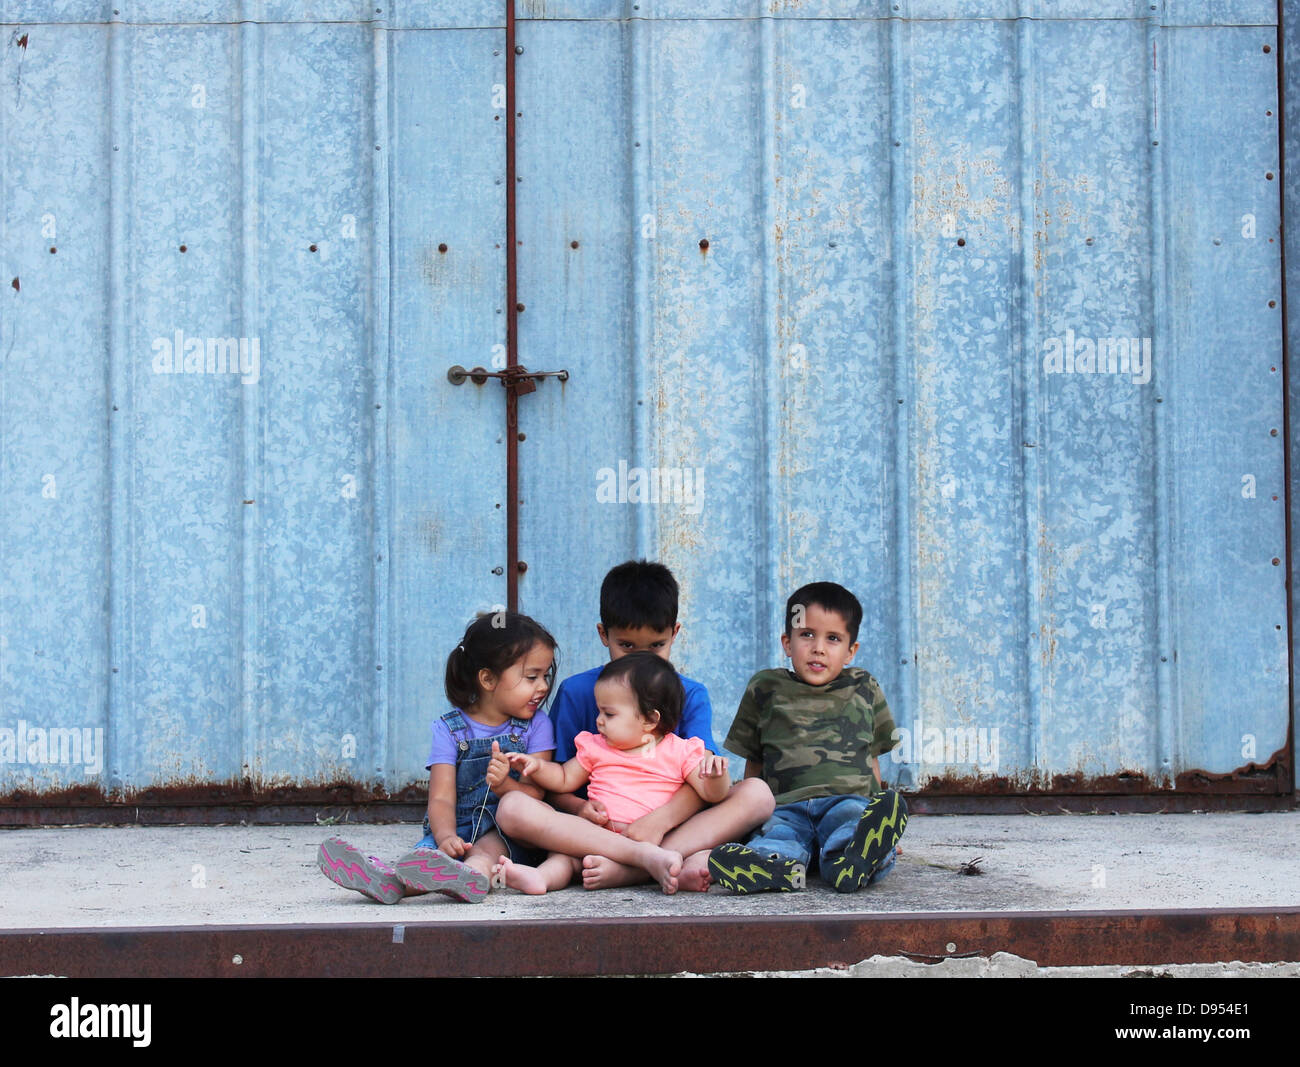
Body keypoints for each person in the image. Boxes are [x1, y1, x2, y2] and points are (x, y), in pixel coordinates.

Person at [544, 560, 774, 890]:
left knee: (758, 794)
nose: (643, 659)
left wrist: (659, 821)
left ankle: (636, 868)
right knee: (514, 808)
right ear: (603, 634)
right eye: (626, 646)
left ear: (675, 634)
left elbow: (704, 782)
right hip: (596, 833)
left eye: (656, 645)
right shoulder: (577, 692)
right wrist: (580, 808)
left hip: (667, 829)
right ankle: (650, 862)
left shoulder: (690, 694)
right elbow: (555, 783)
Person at [317, 611, 559, 904]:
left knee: (484, 854)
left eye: (545, 675)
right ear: (487, 679)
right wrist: (445, 838)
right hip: (455, 826)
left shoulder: (537, 726)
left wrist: (506, 785)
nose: (544, 686)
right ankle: (388, 882)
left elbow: (537, 793)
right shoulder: (449, 729)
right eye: (532, 677)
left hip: (507, 831)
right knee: (426, 857)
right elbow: (442, 798)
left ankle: (472, 879)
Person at [707, 581, 907, 893]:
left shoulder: (863, 687)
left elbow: (871, 757)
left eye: (833, 638)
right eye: (807, 635)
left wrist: (874, 817)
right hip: (785, 806)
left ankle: (861, 853)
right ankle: (775, 868)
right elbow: (754, 763)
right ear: (787, 643)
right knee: (777, 836)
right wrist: (747, 823)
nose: (818, 647)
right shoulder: (766, 687)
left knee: (850, 824)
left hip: (845, 799)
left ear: (851, 651)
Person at [492, 652, 730, 894]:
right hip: (595, 837)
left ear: (650, 720)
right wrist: (537, 767)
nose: (599, 721)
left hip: (656, 836)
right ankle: (541, 878)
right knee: (557, 852)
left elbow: (710, 794)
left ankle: (669, 868)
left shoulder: (679, 750)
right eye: (599, 712)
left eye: (609, 714)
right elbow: (564, 778)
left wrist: (716, 778)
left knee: (706, 848)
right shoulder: (596, 747)